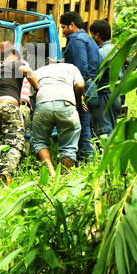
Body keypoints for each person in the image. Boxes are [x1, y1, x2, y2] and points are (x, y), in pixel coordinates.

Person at [23, 60, 84, 175]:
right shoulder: (71, 67)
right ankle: (65, 175)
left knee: (39, 140)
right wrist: (78, 103)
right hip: (66, 104)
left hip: (43, 105)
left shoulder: (38, 71)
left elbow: (33, 94)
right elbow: (80, 85)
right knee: (69, 144)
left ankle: (51, 173)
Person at [59, 11, 102, 162]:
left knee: (82, 129)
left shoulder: (76, 40)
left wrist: (80, 93)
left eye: (64, 28)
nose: (63, 32)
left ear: (72, 25)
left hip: (83, 88)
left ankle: (88, 162)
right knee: (86, 127)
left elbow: (80, 67)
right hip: (92, 86)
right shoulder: (88, 39)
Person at [0, 42, 30, 184]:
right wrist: (37, 89)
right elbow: (29, 73)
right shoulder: (16, 64)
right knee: (16, 142)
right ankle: (6, 172)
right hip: (9, 104)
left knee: (0, 141)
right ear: (13, 55)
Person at [88, 18, 120, 138]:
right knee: (111, 126)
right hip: (115, 95)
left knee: (104, 130)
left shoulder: (101, 54)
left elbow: (94, 75)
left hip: (104, 95)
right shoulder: (115, 50)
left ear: (97, 35)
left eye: (92, 35)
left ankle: (106, 155)